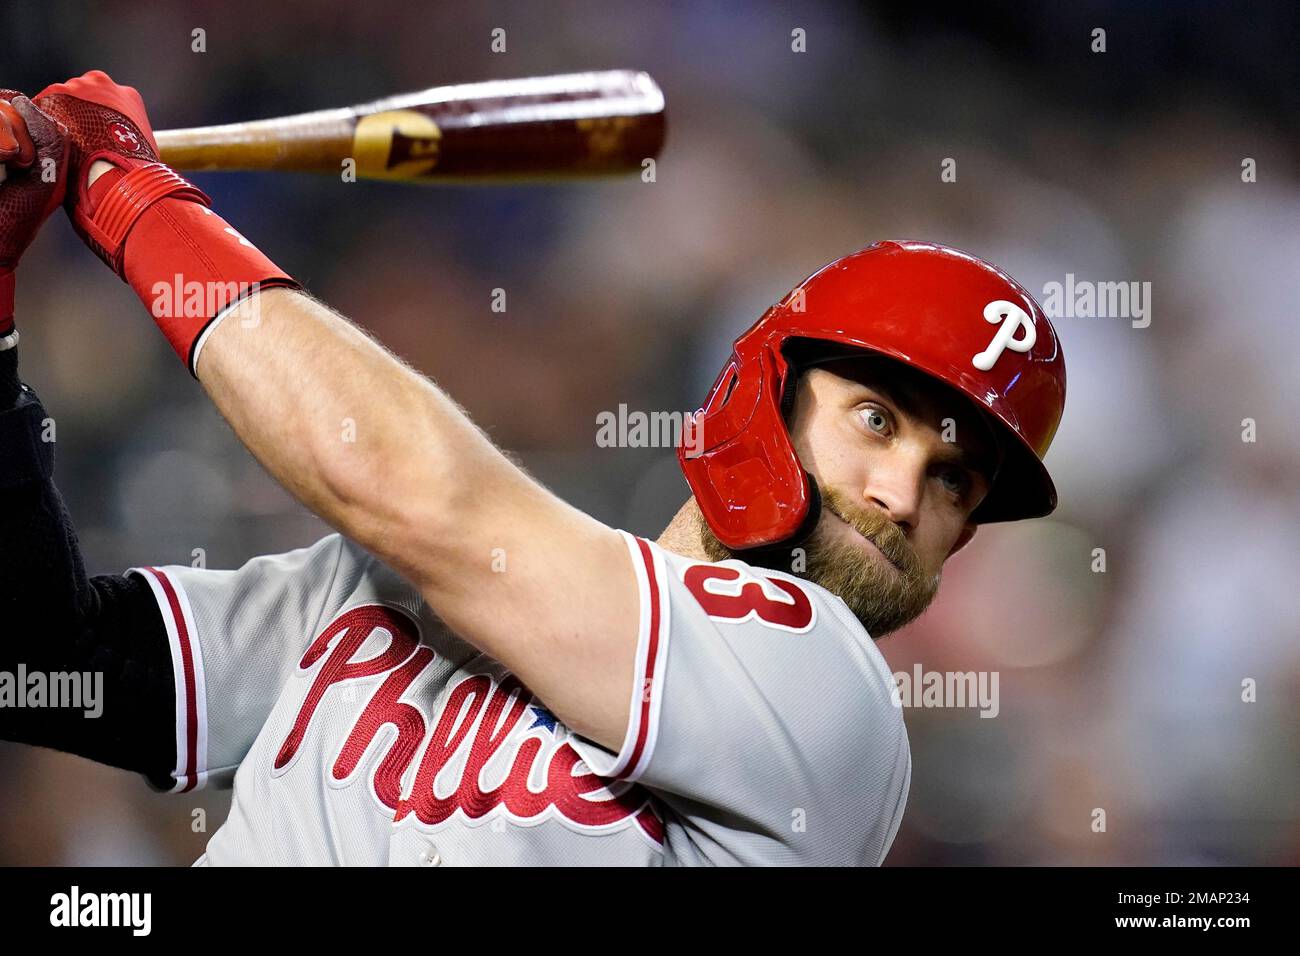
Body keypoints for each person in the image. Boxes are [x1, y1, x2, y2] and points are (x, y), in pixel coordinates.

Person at [0, 72, 1065, 866]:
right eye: (877, 419)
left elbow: (417, 493)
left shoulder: (829, 694)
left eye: (954, 481)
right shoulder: (386, 586)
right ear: (760, 391)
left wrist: (126, 193)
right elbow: (47, 660)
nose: (901, 493)